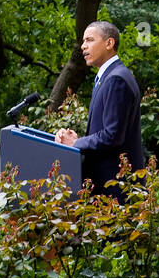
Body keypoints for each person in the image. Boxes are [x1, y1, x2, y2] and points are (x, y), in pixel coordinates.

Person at [54, 20, 144, 202]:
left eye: (89, 40)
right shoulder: (107, 77)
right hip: (108, 187)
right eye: (83, 41)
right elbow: (105, 131)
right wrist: (73, 139)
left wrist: (77, 142)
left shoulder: (116, 79)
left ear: (109, 43)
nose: (83, 46)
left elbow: (112, 136)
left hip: (117, 188)